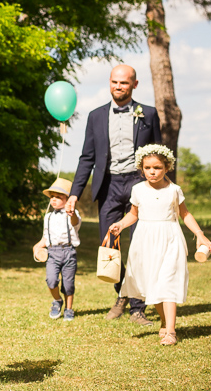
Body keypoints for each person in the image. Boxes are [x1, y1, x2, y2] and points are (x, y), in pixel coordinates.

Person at [66, 64, 162, 325]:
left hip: (139, 185)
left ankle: (137, 308)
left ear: (134, 85)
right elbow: (87, 158)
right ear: (110, 82)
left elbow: (158, 154)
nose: (119, 86)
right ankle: (122, 292)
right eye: (115, 82)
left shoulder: (149, 113)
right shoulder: (95, 116)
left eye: (124, 83)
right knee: (108, 246)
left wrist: (164, 191)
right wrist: (74, 194)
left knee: (139, 246)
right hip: (108, 186)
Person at [108, 144, 211, 345]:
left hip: (170, 238)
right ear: (142, 169)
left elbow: (185, 214)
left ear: (167, 168)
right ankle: (164, 321)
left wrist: (200, 235)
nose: (152, 172)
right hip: (145, 241)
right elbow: (133, 214)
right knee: (153, 287)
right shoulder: (138, 190)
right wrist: (120, 224)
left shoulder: (174, 190)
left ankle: (171, 332)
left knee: (168, 283)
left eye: (157, 167)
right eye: (147, 168)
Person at [32, 178, 81, 321]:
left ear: (67, 199)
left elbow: (75, 222)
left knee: (68, 283)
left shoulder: (73, 215)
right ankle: (57, 300)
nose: (53, 199)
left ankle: (69, 309)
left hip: (68, 252)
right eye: (52, 197)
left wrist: (71, 212)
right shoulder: (48, 217)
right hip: (52, 253)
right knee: (51, 280)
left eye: (58, 197)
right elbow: (46, 237)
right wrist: (37, 246)